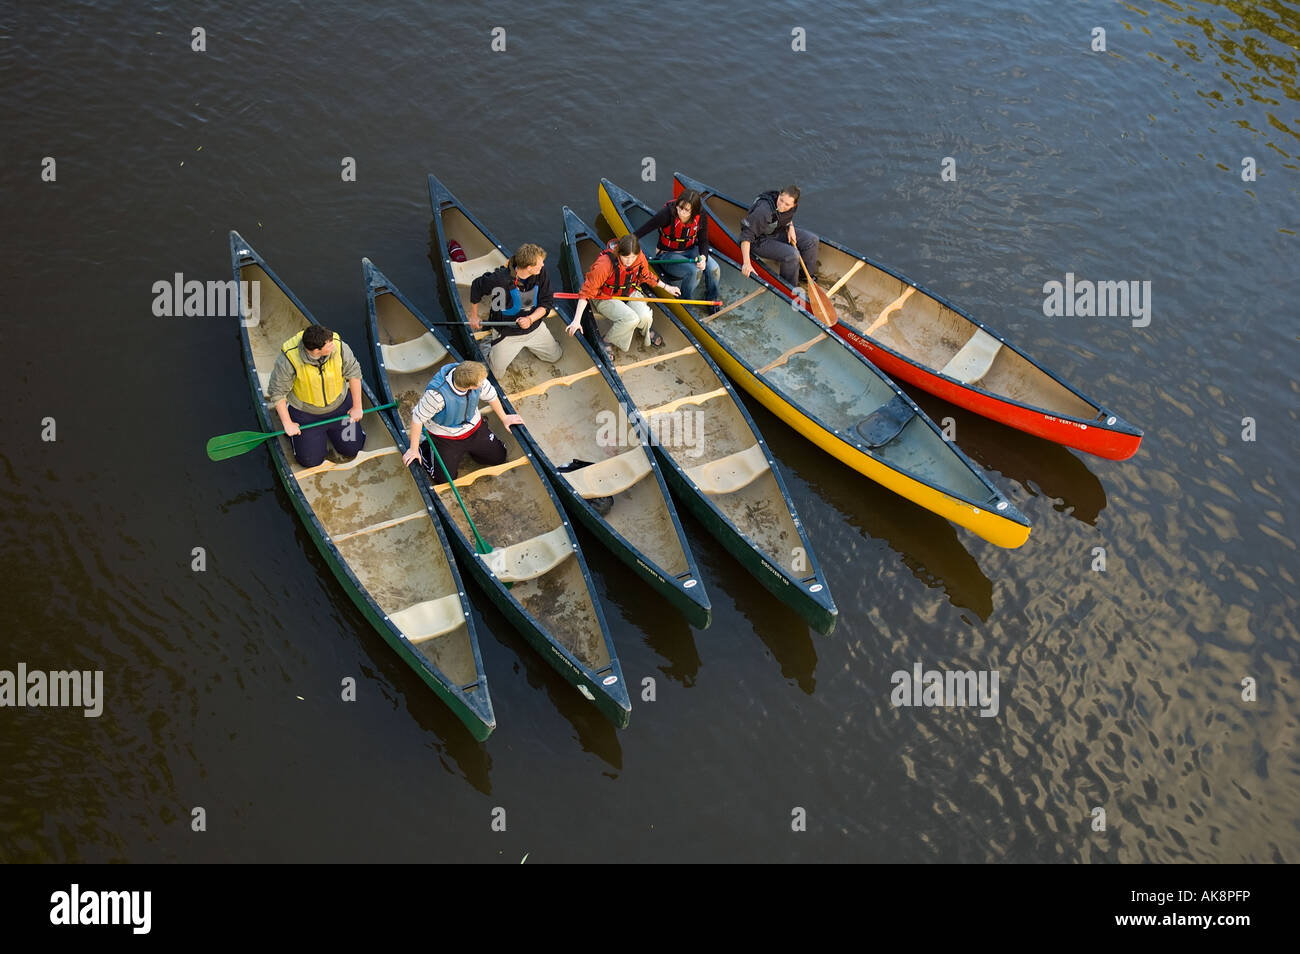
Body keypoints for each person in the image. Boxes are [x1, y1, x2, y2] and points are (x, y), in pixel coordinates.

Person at [401, 360, 523, 481]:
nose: (483, 383)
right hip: (445, 437)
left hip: (473, 428)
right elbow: (417, 418)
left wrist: (504, 418)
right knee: (444, 479)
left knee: (499, 457)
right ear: (470, 387)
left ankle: (476, 448)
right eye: (480, 383)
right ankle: (425, 446)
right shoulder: (436, 396)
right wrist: (413, 449)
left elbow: (491, 395)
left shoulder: (475, 374)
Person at [266, 325, 366, 467]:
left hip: (340, 408)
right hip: (306, 415)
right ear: (316, 350)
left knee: (353, 449)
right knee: (310, 461)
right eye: (328, 344)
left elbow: (354, 374)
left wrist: (357, 406)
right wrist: (287, 423)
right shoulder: (288, 360)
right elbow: (277, 393)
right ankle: (306, 439)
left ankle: (333, 434)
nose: (333, 345)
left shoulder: (339, 346)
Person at [568, 234, 679, 361]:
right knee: (631, 319)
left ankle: (644, 330)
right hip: (605, 296)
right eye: (626, 257)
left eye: (633, 257)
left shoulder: (639, 257)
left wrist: (667, 287)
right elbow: (587, 292)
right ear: (619, 252)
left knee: (646, 317)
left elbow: (646, 275)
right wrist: (576, 321)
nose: (629, 261)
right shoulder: (604, 264)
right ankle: (606, 340)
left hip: (628, 291)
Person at [468, 243, 563, 379]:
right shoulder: (499, 279)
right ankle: (488, 342)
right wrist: (474, 315)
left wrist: (530, 319)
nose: (542, 266)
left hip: (534, 328)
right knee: (495, 375)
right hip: (507, 333)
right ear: (529, 268)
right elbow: (477, 286)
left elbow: (547, 302)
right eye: (539, 264)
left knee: (555, 356)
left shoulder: (540, 272)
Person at [634, 189, 721, 315]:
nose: (681, 212)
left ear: (694, 211)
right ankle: (686, 303)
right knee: (694, 271)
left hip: (691, 249)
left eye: (686, 210)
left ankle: (711, 297)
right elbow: (642, 231)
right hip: (667, 255)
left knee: (714, 267)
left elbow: (703, 240)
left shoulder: (701, 215)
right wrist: (627, 247)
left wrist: (703, 257)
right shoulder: (667, 214)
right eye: (680, 207)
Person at [738, 184, 819, 287]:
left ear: (793, 205)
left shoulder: (791, 207)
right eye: (781, 200)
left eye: (787, 204)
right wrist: (746, 263)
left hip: (776, 231)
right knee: (792, 255)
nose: (782, 206)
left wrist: (790, 226)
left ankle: (805, 277)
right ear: (779, 195)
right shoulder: (763, 211)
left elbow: (786, 216)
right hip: (758, 241)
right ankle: (788, 288)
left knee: (812, 240)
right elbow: (746, 236)